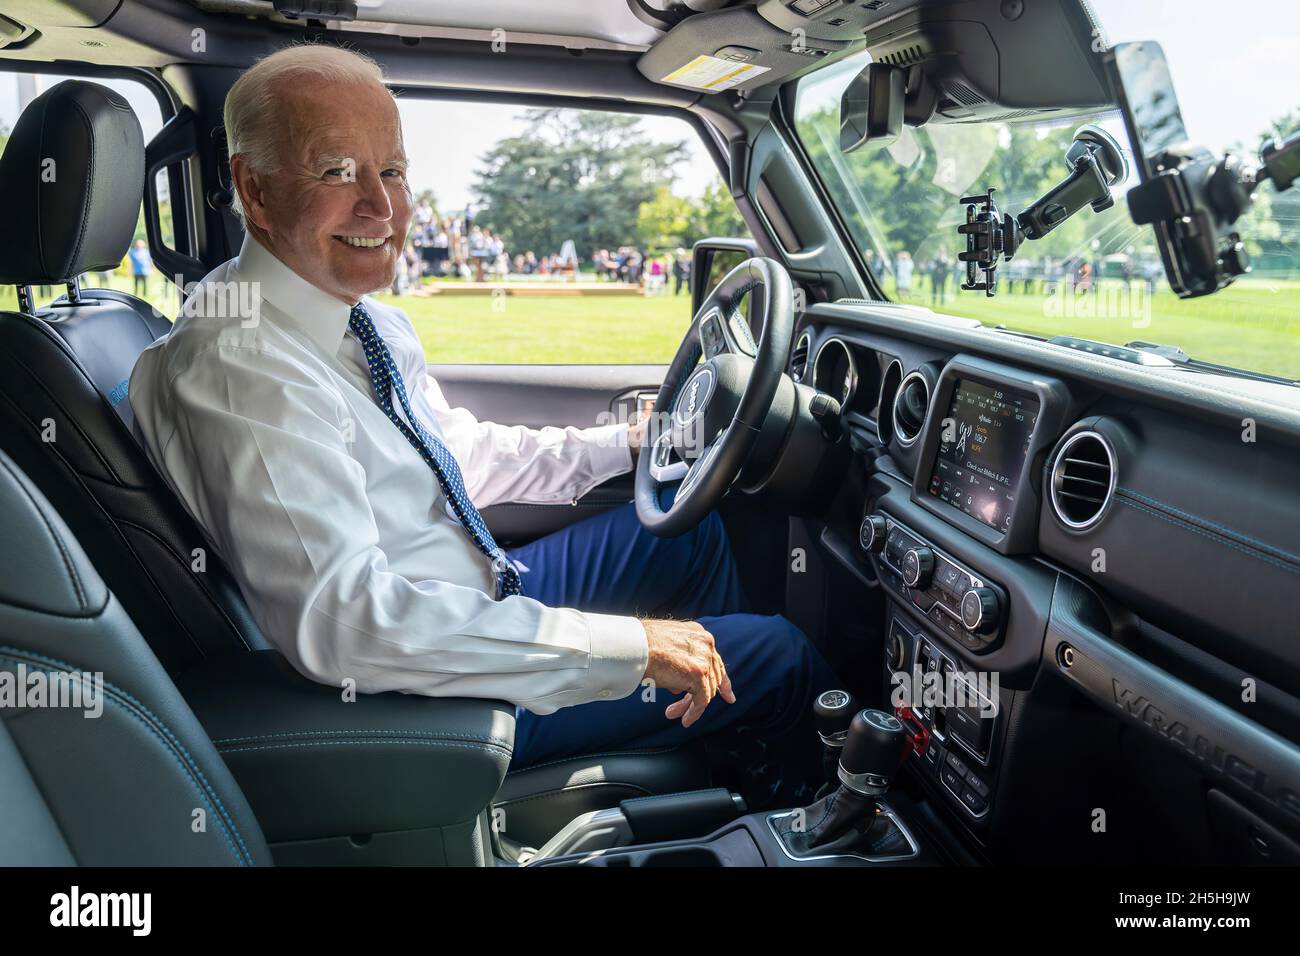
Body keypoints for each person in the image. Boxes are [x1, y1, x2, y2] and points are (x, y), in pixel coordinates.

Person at [129, 46, 836, 801]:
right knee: (783, 654)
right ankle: (812, 801)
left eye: (392, 171)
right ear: (256, 191)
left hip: (475, 592)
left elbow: (449, 456)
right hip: (425, 694)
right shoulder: (242, 368)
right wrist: (634, 648)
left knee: (689, 533)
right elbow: (350, 624)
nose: (383, 207)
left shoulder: (355, 318)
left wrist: (623, 443)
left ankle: (711, 743)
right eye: (337, 171)